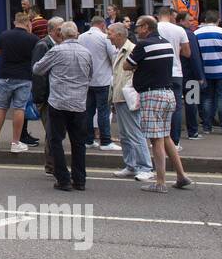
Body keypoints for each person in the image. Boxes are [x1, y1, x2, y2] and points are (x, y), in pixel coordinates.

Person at [125, 15, 193, 193]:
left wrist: (138, 67)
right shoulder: (166, 43)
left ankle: (160, 182)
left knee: (156, 140)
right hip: (168, 93)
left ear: (146, 27)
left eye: (138, 27)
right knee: (166, 136)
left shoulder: (143, 45)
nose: (136, 30)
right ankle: (181, 176)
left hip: (151, 95)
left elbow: (127, 65)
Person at [32, 21, 93, 192]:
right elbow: (90, 75)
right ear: (77, 34)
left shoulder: (56, 51)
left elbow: (37, 69)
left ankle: (63, 179)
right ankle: (80, 180)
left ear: (62, 34)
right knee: (78, 142)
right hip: (79, 103)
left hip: (58, 102)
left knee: (56, 141)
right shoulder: (86, 52)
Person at [107, 22, 154, 181]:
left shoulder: (132, 49)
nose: (108, 36)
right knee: (125, 134)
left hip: (128, 98)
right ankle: (131, 166)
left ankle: (146, 167)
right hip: (119, 97)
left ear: (119, 35)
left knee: (135, 133)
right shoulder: (118, 50)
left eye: (110, 33)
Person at [0, 12, 37, 153]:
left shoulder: (5, 35)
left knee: (1, 107)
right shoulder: (32, 38)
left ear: (15, 22)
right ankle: (15, 143)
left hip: (6, 75)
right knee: (19, 109)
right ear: (27, 23)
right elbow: (36, 56)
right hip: (24, 76)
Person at [78, 16, 119, 150]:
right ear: (102, 25)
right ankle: (105, 141)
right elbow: (113, 56)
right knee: (103, 111)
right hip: (103, 80)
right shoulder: (103, 37)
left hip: (87, 81)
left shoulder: (81, 37)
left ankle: (88, 140)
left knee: (88, 112)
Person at [31, 17, 65, 175]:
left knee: (55, 131)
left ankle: (53, 164)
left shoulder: (58, 45)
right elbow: (38, 74)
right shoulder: (43, 45)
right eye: (59, 29)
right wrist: (40, 98)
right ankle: (52, 165)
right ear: (51, 30)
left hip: (57, 97)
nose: (62, 32)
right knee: (52, 132)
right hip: (47, 97)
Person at [194, 11, 222, 136]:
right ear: (218, 20)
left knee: (207, 99)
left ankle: (207, 127)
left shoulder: (196, 33)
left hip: (205, 71)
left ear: (205, 20)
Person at [154, 7, 191, 147]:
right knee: (175, 107)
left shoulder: (153, 28)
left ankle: (157, 141)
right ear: (170, 16)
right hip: (175, 72)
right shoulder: (179, 30)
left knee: (157, 107)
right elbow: (187, 53)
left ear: (158, 16)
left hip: (157, 72)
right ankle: (174, 142)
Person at [175, 10, 206, 140]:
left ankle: (175, 131)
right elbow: (194, 57)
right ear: (181, 21)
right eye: (189, 20)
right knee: (191, 103)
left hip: (176, 74)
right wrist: (200, 76)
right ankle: (193, 131)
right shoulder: (189, 35)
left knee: (176, 104)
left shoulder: (173, 34)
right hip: (190, 75)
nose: (192, 23)